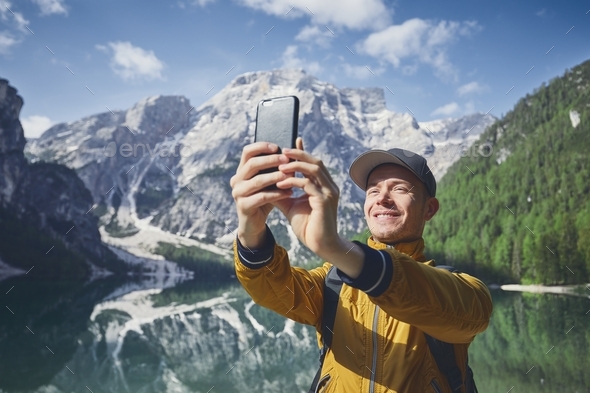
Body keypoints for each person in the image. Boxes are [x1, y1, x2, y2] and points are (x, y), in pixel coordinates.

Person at [230, 138, 493, 393]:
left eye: (399, 188)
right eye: (373, 191)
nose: (383, 198)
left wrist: (336, 248)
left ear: (429, 209)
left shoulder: (463, 290)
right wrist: (251, 235)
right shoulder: (331, 282)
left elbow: (462, 311)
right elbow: (273, 287)